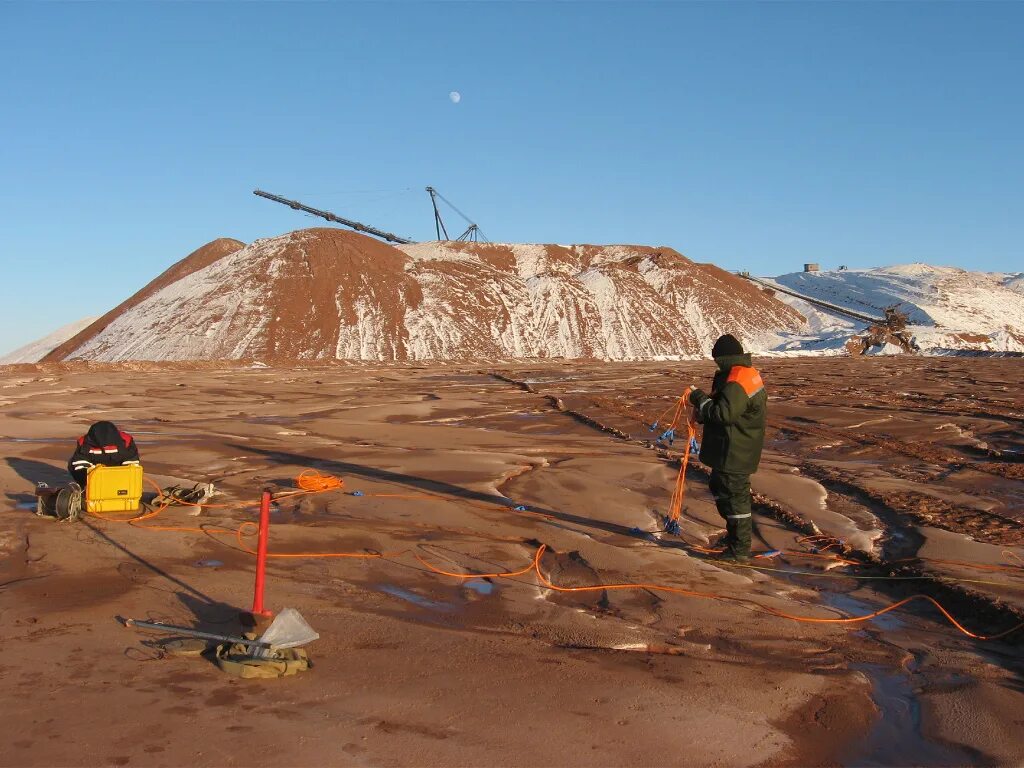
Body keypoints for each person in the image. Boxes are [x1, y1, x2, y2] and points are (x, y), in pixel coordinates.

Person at [688, 334, 767, 563]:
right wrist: (703, 412)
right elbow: (726, 408)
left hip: (736, 451)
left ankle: (739, 550)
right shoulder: (742, 375)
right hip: (735, 448)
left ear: (724, 358)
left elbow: (724, 413)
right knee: (722, 490)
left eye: (717, 360)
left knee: (734, 499)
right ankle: (735, 539)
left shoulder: (738, 380)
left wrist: (698, 397)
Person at [67, 421, 141, 488]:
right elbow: (80, 463)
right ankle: (86, 489)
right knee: (73, 463)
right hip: (95, 474)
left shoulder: (126, 441)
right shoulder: (84, 443)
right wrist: (91, 478)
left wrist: (119, 477)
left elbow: (132, 463)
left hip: (119, 473)